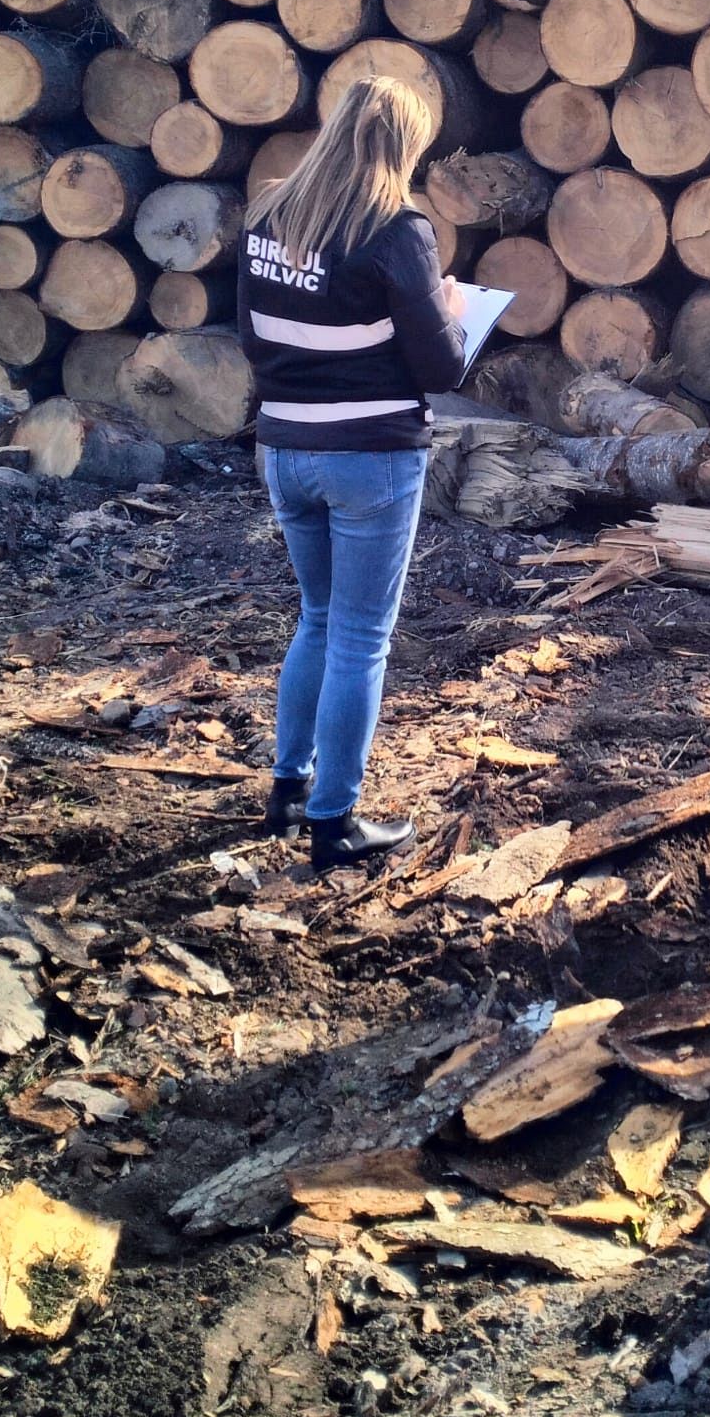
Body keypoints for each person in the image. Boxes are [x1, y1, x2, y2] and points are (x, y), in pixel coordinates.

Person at [237, 77, 467, 870]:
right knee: (361, 638)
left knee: (319, 618)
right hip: (371, 456)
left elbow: (254, 335)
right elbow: (440, 366)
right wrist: (453, 312)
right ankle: (334, 823)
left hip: (285, 449)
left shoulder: (269, 211)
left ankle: (288, 790)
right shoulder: (398, 229)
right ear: (404, 148)